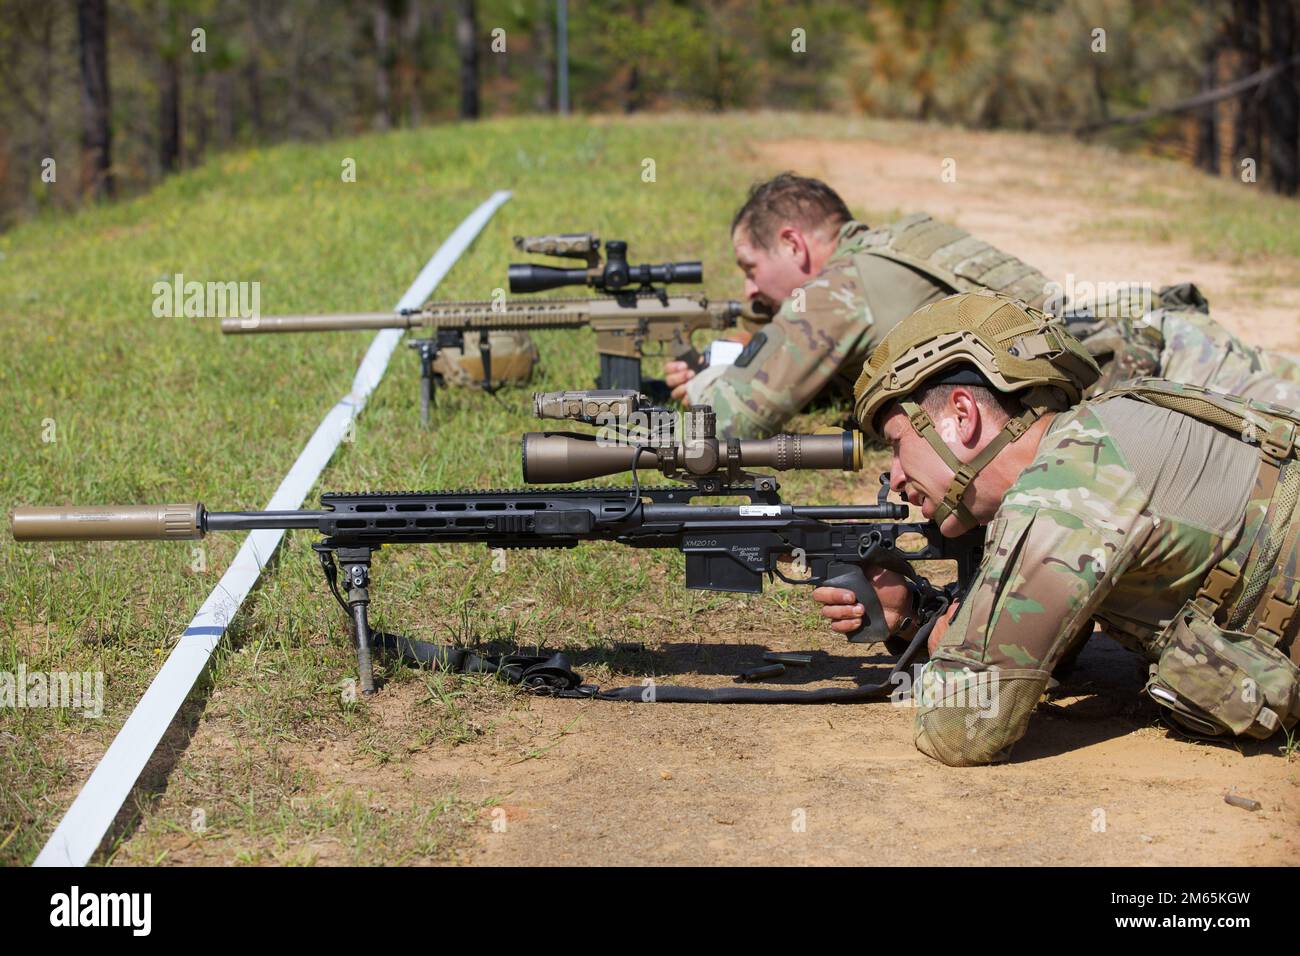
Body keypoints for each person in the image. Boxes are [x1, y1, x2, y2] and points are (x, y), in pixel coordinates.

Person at [813, 290, 1300, 766]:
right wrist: (915, 614)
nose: (895, 476)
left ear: (962, 415)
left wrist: (948, 638)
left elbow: (961, 728)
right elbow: (1051, 650)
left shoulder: (1068, 485)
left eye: (897, 444)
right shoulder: (1100, 432)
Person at [664, 173, 1056, 438]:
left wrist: (703, 381)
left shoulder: (838, 291)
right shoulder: (891, 248)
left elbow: (726, 424)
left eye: (750, 269)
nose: (749, 290)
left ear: (793, 245)